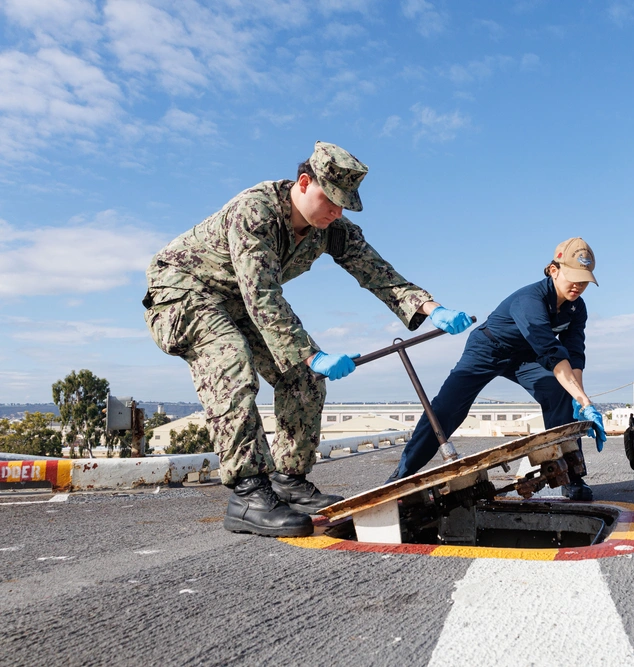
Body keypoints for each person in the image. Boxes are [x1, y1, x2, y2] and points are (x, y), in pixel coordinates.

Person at [142, 141, 472, 537]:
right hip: (182, 293)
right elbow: (261, 293)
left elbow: (377, 271)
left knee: (303, 378)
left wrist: (428, 307)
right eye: (330, 200)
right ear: (303, 182)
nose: (336, 211)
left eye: (343, 205)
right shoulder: (256, 211)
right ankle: (247, 494)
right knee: (231, 360)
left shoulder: (329, 228)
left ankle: (289, 480)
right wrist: (310, 353)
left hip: (238, 302)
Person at [388, 238, 607, 501]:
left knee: (559, 392)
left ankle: (571, 476)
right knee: (447, 410)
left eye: (584, 281)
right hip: (488, 348)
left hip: (526, 357)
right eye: (572, 277)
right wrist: (584, 399)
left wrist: (580, 401)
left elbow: (573, 354)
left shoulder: (576, 308)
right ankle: (401, 476)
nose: (578, 286)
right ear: (553, 270)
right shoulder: (530, 299)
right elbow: (550, 350)